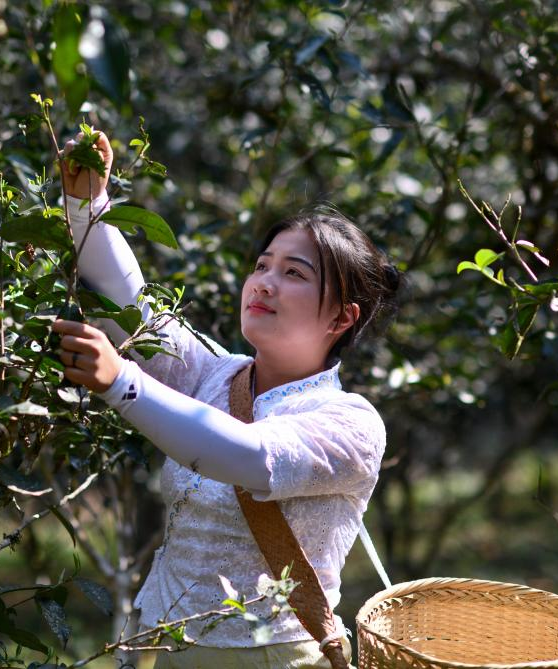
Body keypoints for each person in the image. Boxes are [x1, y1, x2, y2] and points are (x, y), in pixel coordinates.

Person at [51, 130, 402, 669]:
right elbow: (134, 311)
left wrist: (122, 382)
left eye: (293, 273)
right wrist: (87, 206)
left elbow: (247, 457)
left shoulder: (350, 423)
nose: (264, 283)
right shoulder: (215, 375)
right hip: (157, 644)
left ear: (341, 317)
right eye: (262, 265)